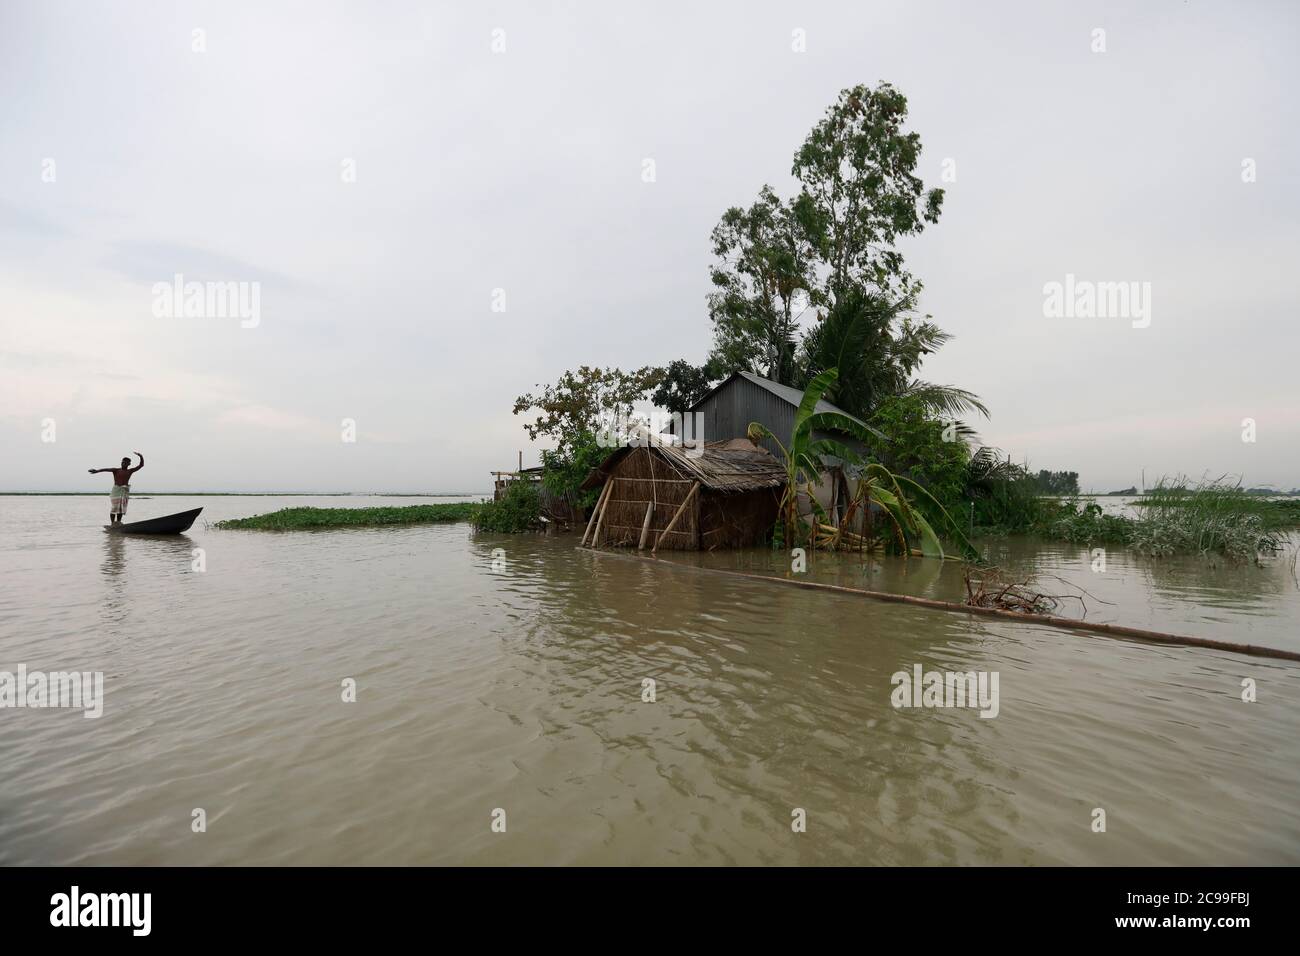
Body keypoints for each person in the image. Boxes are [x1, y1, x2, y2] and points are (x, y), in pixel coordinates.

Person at [88, 453, 144, 524]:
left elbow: (141, 465)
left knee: (121, 508)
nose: (123, 463)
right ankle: (112, 523)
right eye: (122, 462)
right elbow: (106, 469)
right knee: (114, 507)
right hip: (116, 490)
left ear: (128, 464)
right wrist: (97, 471)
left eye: (125, 463)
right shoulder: (116, 470)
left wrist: (140, 456)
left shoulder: (130, 471)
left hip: (124, 490)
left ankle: (118, 522)